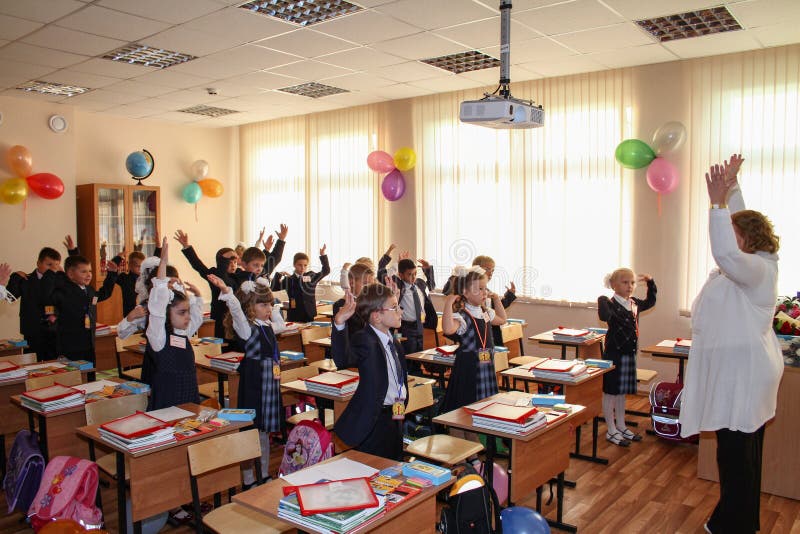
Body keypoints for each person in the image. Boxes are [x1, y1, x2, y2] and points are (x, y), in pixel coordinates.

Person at [680, 155, 783, 534]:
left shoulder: (754, 269)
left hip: (744, 377)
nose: (729, 238)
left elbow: (725, 248)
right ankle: (734, 520)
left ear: (746, 240)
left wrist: (716, 204)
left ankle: (734, 525)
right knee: (739, 456)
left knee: (737, 457)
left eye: (735, 232)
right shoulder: (756, 261)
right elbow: (740, 228)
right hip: (742, 373)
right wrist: (732, 187)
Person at [211, 275, 281, 484]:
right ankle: (249, 477)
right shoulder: (247, 327)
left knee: (265, 432)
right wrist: (228, 292)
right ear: (250, 306)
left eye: (270, 303)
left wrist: (275, 311)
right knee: (251, 430)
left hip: (270, 382)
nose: (268, 308)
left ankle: (265, 473)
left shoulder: (267, 325)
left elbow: (281, 325)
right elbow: (236, 312)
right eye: (263, 304)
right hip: (254, 383)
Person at [331, 283, 407, 460]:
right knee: (373, 468)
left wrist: (392, 299)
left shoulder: (392, 340)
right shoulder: (365, 339)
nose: (400, 311)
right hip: (375, 420)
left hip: (396, 414)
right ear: (377, 317)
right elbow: (343, 360)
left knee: (394, 465)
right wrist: (340, 323)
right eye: (395, 307)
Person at [597, 268, 656, 446]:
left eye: (632, 283)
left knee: (622, 393)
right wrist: (602, 301)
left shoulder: (634, 303)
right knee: (611, 392)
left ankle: (621, 425)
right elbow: (604, 315)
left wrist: (651, 283)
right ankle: (611, 429)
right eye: (624, 282)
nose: (629, 286)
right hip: (614, 354)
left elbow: (651, 302)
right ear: (613, 285)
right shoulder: (609, 302)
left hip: (629, 354)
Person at [144, 238, 204, 410]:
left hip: (189, 394)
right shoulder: (159, 338)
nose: (187, 317)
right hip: (167, 398)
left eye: (187, 312)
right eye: (182, 313)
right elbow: (156, 307)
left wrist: (198, 296)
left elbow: (197, 319)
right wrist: (162, 265)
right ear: (166, 314)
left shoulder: (183, 333)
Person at [441, 266, 507, 414]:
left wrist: (496, 299)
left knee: (483, 409)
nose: (485, 293)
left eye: (485, 288)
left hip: (486, 367)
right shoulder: (463, 316)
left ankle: (475, 434)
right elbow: (447, 329)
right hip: (468, 371)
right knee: (464, 410)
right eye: (480, 289)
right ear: (465, 292)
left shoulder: (485, 312)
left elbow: (502, 319)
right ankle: (464, 435)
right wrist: (448, 304)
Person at [6, 237, 79, 360]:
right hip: (33, 332)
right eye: (49, 264)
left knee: (55, 366)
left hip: (55, 332)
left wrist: (73, 252)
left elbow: (78, 272)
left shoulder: (61, 282)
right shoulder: (26, 279)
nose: (52, 268)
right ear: (38, 263)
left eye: (55, 265)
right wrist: (14, 278)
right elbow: (9, 298)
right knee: (33, 366)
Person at [46, 255, 117, 371]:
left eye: (90, 271)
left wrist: (112, 274)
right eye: (83, 272)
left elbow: (104, 294)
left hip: (88, 343)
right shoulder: (64, 290)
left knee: (89, 372)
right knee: (74, 375)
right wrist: (59, 274)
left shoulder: (89, 290)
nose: (89, 274)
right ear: (70, 274)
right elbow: (51, 295)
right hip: (70, 345)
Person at [175, 229, 239, 339]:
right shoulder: (214, 274)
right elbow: (198, 265)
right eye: (229, 262)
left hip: (236, 317)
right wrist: (186, 246)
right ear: (221, 262)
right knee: (223, 344)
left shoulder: (238, 275)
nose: (233, 265)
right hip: (221, 318)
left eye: (235, 262)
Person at [271, 246, 331, 323]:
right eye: (299, 265)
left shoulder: (311, 276)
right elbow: (273, 288)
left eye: (305, 265)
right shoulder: (289, 279)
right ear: (294, 265)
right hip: (295, 314)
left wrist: (323, 255)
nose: (302, 268)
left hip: (309, 314)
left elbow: (326, 270)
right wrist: (278, 275)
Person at [393, 258, 437, 359]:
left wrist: (428, 269)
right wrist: (397, 263)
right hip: (405, 327)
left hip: (420, 325)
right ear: (400, 275)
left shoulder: (420, 284)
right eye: (409, 274)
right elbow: (385, 276)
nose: (413, 277)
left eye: (415, 273)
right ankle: (409, 372)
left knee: (419, 353)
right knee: (407, 354)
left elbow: (431, 285)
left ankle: (417, 372)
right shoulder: (399, 286)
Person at [331, 263, 375, 356]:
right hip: (353, 353)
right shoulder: (342, 304)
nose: (370, 288)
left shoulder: (370, 303)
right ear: (352, 283)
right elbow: (347, 335)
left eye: (372, 284)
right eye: (365, 284)